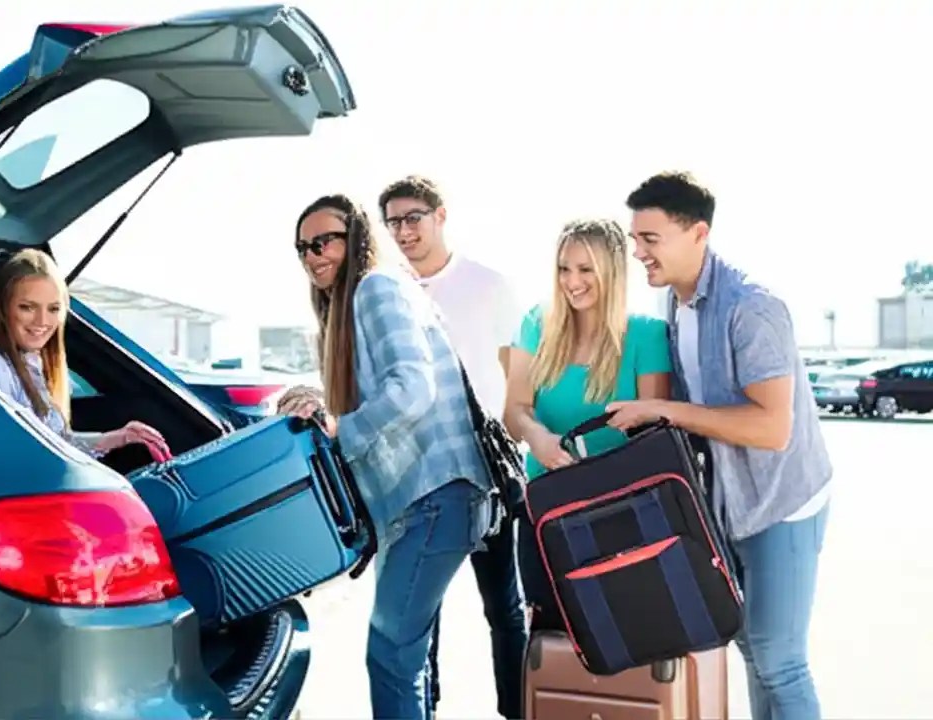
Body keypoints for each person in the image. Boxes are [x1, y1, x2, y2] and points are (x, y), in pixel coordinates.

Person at [608, 171, 831, 720]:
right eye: (635, 239)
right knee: (753, 649)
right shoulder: (677, 305)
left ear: (697, 233)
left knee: (780, 659)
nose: (638, 252)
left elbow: (772, 429)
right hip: (729, 507)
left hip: (783, 503)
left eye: (650, 240)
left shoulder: (750, 307)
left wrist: (663, 410)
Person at [277, 194, 493, 720]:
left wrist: (339, 427)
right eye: (304, 247)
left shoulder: (375, 287)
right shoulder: (351, 306)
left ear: (355, 238)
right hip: (417, 505)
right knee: (404, 659)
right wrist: (322, 406)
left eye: (325, 240)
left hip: (435, 495)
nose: (313, 255)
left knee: (392, 655)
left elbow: (411, 388)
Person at [377, 174, 526, 720]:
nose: (403, 231)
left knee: (505, 608)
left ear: (441, 216)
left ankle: (517, 709)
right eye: (393, 222)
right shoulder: (386, 291)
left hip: (487, 473)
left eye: (413, 217)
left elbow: (516, 377)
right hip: (416, 479)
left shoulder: (488, 285)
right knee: (419, 615)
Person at [503, 218, 672, 624]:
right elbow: (513, 413)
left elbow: (655, 437)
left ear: (611, 271)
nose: (572, 281)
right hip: (547, 510)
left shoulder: (647, 334)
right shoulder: (535, 324)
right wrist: (539, 438)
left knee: (623, 631)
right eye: (564, 268)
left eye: (585, 269)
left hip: (622, 515)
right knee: (550, 637)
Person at [0, 248, 170, 460]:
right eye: (27, 307)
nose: (42, 321)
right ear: (2, 309)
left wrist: (119, 437)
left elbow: (56, 442)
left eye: (53, 309)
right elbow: (13, 456)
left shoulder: (28, 362)